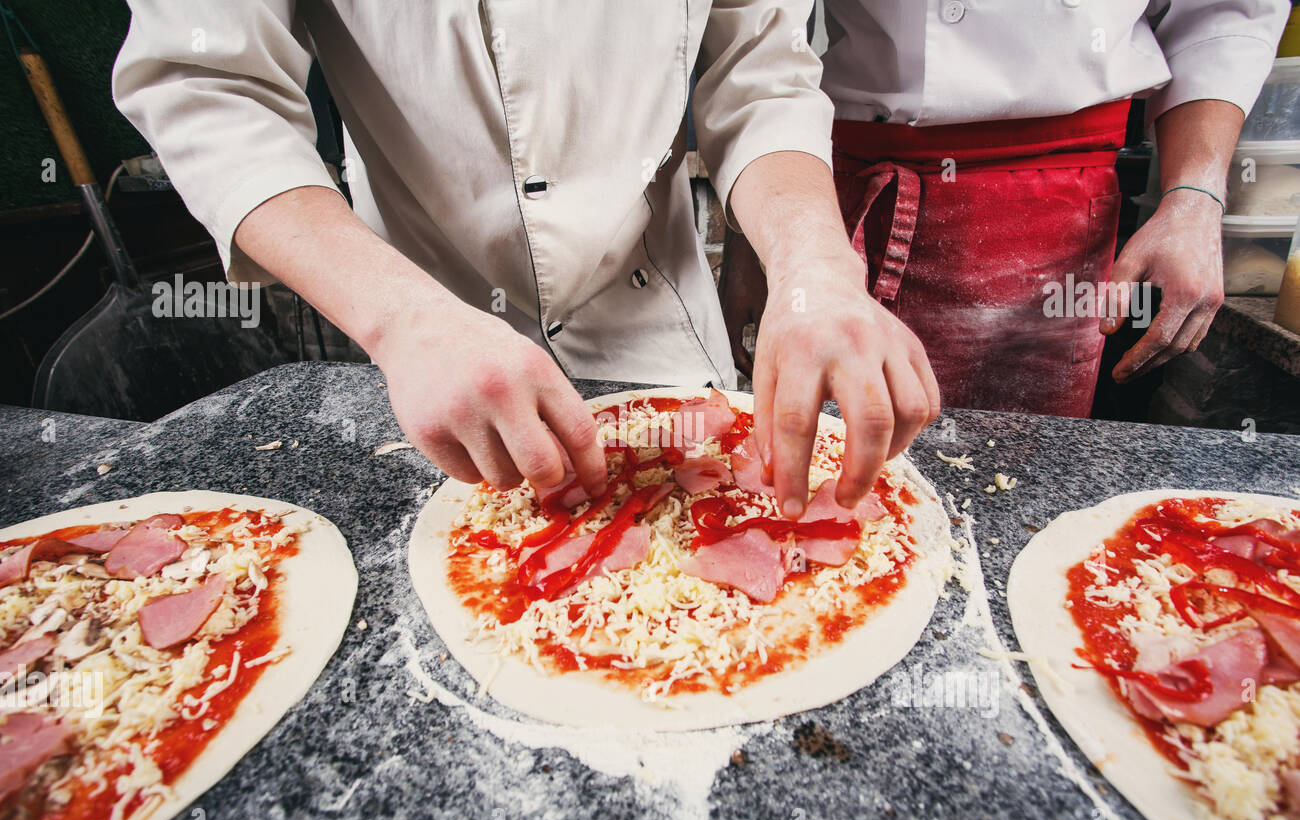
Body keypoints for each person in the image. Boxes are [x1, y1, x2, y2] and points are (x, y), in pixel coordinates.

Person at [112, 1, 940, 520]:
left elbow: (756, 72)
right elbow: (206, 84)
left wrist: (815, 268)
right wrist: (405, 320)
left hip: (657, 333)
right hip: (426, 334)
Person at [722, 0, 1290, 417]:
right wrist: (764, 245)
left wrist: (1194, 196)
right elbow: (758, 55)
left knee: (1022, 467)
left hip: (1058, 208)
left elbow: (1223, 13)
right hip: (832, 196)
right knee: (836, 474)